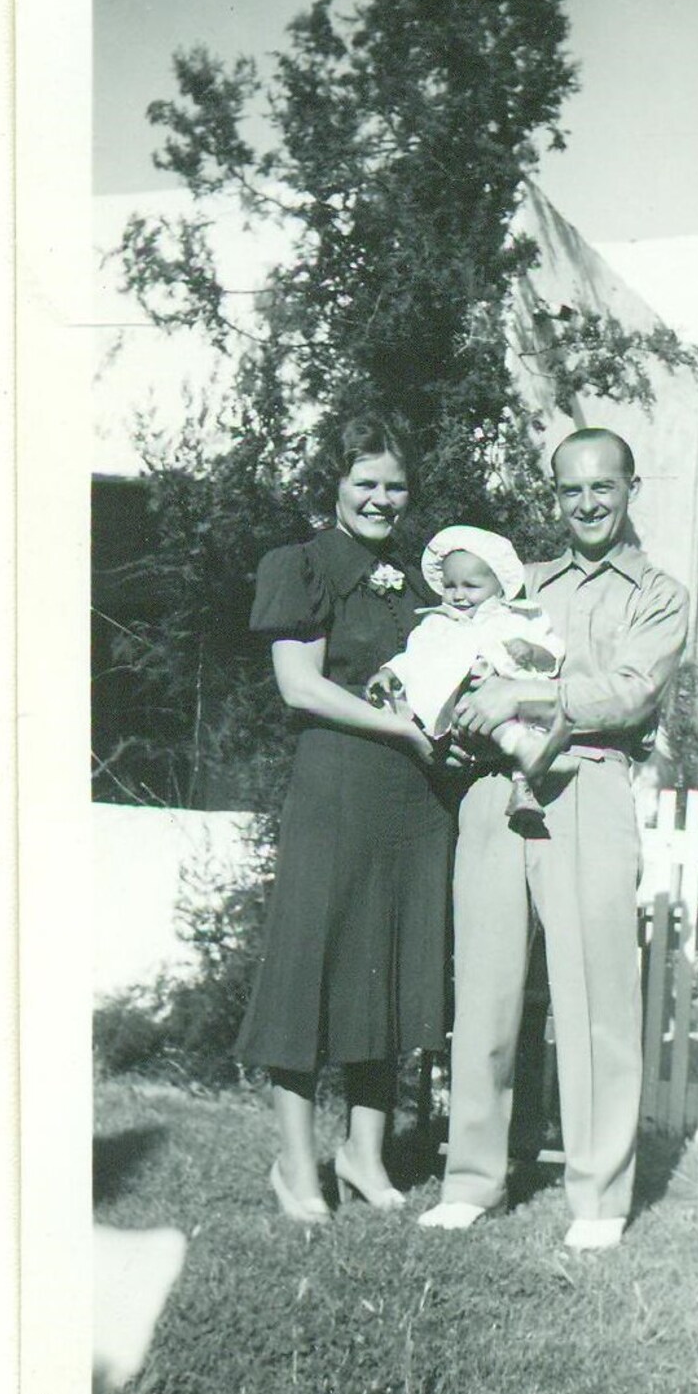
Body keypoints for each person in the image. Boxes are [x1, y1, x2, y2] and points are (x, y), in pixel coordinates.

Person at [419, 428, 688, 1251]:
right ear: (554, 495)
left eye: (603, 487)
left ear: (630, 487)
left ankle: (599, 1199)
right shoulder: (520, 581)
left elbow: (631, 693)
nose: (587, 503)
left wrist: (522, 690)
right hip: (495, 788)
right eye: (570, 490)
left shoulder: (658, 593)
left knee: (597, 996)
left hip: (590, 785)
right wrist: (469, 700)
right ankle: (471, 1179)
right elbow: (459, 658)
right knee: (487, 991)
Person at [236, 414, 455, 1222]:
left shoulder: (420, 582)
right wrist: (400, 725)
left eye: (395, 485)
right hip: (335, 792)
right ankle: (296, 1166)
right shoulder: (298, 567)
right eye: (365, 481)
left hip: (411, 803)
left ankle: (364, 1154)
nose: (381, 498)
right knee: (310, 972)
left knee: (388, 971)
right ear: (333, 486)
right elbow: (300, 686)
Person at [365, 524, 574, 826]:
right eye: (450, 586)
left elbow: (553, 653)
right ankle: (526, 754)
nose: (458, 595)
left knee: (525, 711)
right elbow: (414, 656)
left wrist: (531, 651)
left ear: (499, 586)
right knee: (477, 708)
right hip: (462, 705)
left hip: (513, 700)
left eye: (471, 586)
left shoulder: (519, 616)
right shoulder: (439, 622)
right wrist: (389, 671)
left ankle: (523, 788)